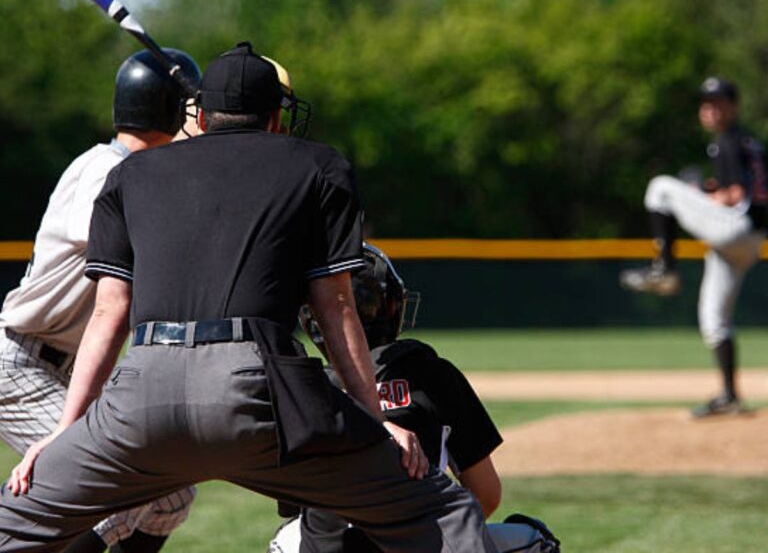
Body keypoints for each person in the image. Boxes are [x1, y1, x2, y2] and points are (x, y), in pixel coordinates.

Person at [0, 41, 494, 552]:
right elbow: (336, 307)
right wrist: (375, 420)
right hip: (261, 396)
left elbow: (111, 312)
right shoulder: (319, 167)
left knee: (16, 521)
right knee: (445, 513)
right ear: (276, 117)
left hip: (141, 395)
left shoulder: (129, 174)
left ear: (201, 116)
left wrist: (66, 433)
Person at [0, 48, 201, 553]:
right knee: (118, 486)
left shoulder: (135, 173)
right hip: (20, 362)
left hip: (65, 368)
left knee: (173, 494)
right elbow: (148, 240)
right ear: (170, 112)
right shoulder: (104, 169)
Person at [270, 242, 560, 553]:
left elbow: (299, 509)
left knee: (284, 539)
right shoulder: (430, 373)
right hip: (419, 544)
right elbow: (486, 495)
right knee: (535, 539)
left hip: (332, 548)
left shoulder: (303, 389)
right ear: (390, 307)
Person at [620, 77, 767, 418]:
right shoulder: (752, 143)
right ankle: (729, 396)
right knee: (715, 319)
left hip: (735, 228)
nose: (709, 109)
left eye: (717, 103)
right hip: (750, 240)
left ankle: (664, 269)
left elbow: (734, 195)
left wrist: (699, 193)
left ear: (733, 106)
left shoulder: (727, 140)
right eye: (705, 103)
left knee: (660, 188)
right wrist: (711, 193)